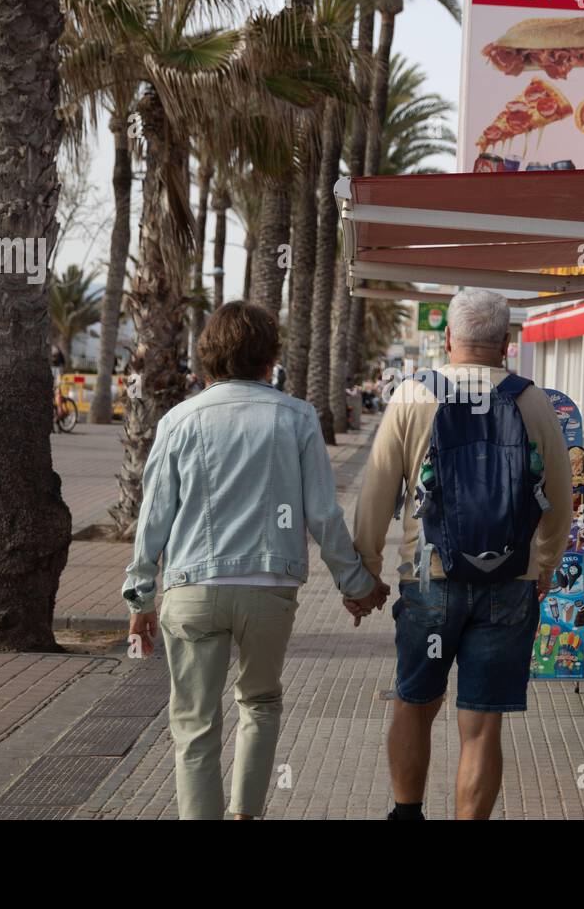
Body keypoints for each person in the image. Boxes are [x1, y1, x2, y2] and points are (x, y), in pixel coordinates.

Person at [123, 300, 389, 820]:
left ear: (208, 357)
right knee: (260, 703)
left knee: (196, 725)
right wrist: (357, 584)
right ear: (270, 357)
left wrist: (140, 597)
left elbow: (152, 517)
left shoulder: (179, 420)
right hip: (270, 588)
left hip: (192, 589)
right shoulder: (296, 417)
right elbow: (323, 515)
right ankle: (246, 815)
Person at [352, 288, 571, 820]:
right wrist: (542, 566)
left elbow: (377, 493)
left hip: (429, 581)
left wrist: (363, 577)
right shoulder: (531, 399)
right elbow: (561, 498)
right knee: (481, 723)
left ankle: (407, 815)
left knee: (414, 702)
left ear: (448, 338)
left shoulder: (413, 395)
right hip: (509, 584)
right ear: (507, 343)